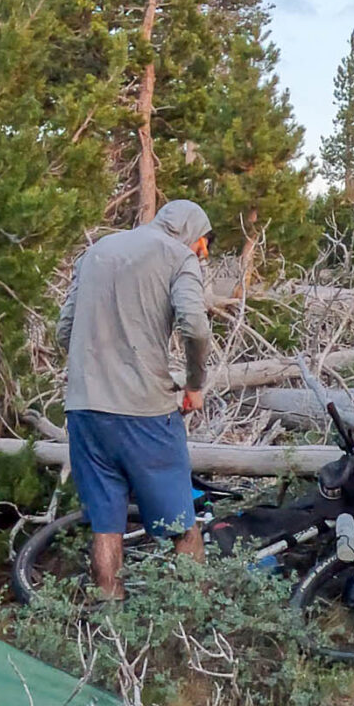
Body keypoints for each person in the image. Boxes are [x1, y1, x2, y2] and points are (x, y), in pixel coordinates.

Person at [55, 199, 214, 599]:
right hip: (144, 412)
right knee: (181, 521)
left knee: (107, 525)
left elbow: (64, 331)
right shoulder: (178, 257)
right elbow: (195, 326)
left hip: (85, 410)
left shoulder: (97, 252)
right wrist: (194, 384)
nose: (205, 251)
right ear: (190, 231)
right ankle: (191, 617)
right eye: (204, 241)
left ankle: (110, 619)